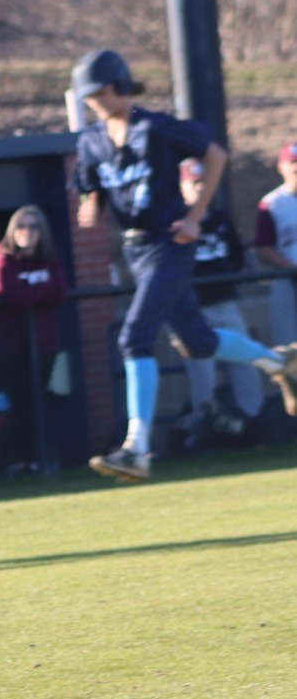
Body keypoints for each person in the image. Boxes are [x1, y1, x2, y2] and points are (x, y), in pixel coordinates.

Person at [70, 49, 297, 482]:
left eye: (100, 91)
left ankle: (137, 448)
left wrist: (195, 216)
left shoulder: (152, 126)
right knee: (197, 340)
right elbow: (89, 186)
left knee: (135, 338)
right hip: (135, 250)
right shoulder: (91, 141)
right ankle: (277, 364)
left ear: (119, 85)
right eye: (89, 95)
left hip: (169, 242)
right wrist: (90, 204)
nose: (94, 101)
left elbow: (214, 154)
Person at [171, 160, 264, 448]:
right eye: (193, 182)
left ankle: (256, 427)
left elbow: (237, 256)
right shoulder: (175, 222)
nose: (199, 188)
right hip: (192, 310)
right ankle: (202, 436)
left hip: (225, 303)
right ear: (182, 186)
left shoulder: (220, 220)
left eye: (203, 182)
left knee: (246, 366)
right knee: (203, 377)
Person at [0, 205, 68, 475]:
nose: (27, 232)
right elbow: (10, 293)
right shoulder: (2, 261)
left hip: (44, 347)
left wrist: (32, 293)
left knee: (42, 403)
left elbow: (60, 292)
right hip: (7, 350)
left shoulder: (50, 261)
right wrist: (39, 293)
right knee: (22, 405)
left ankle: (34, 460)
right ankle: (5, 460)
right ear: (12, 231)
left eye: (33, 227)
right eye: (22, 226)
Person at [252, 140, 297, 360]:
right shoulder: (272, 203)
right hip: (287, 278)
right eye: (292, 162)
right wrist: (290, 267)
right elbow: (263, 247)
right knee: (288, 344)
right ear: (281, 166)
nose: (296, 167)